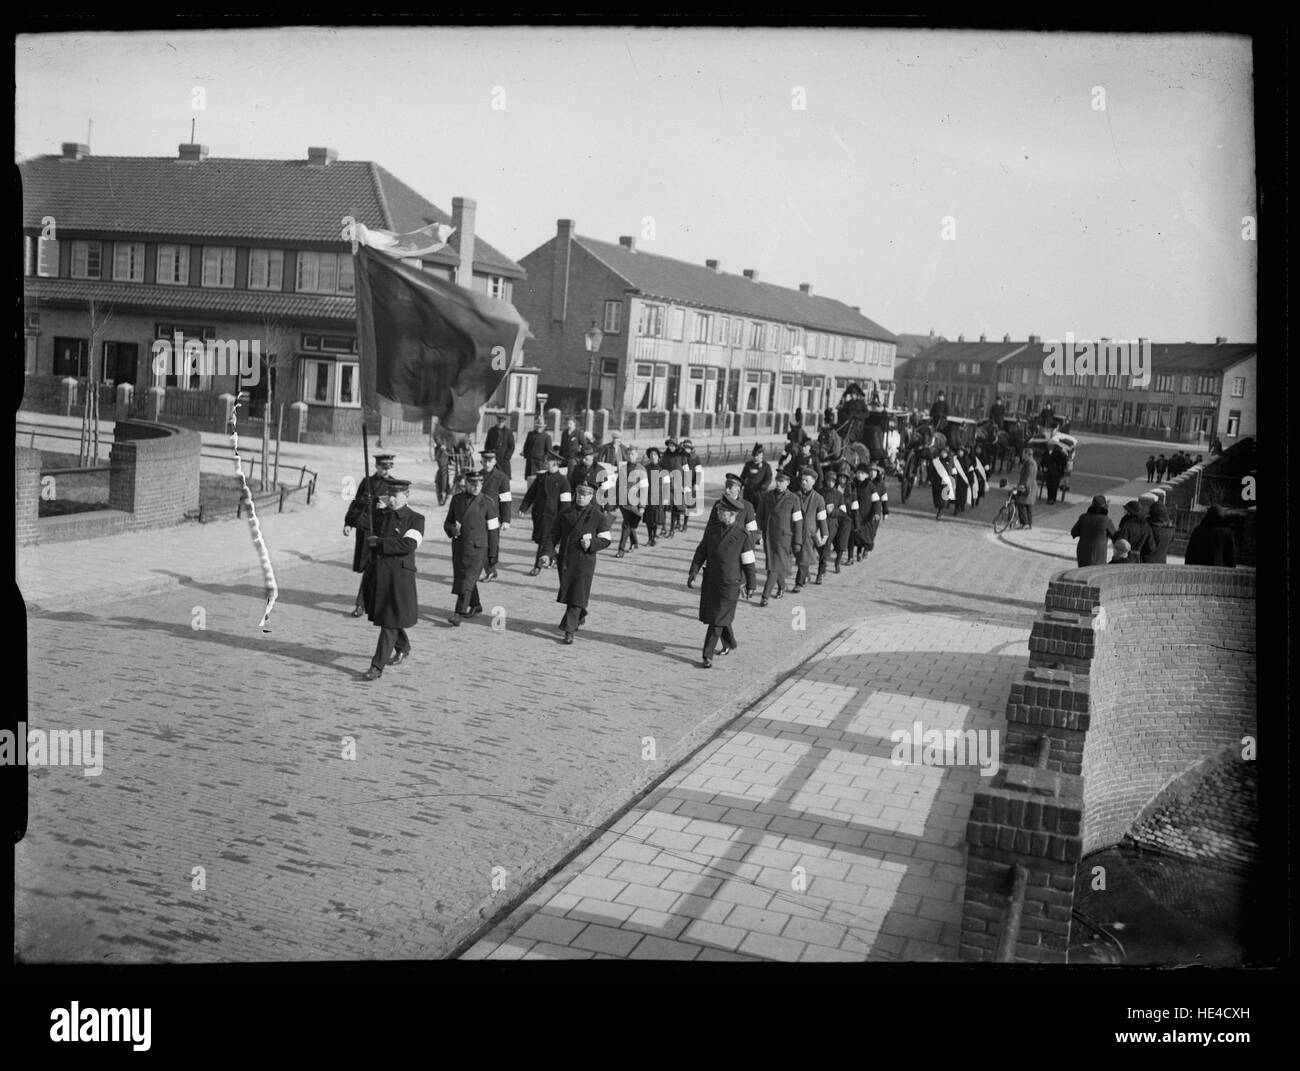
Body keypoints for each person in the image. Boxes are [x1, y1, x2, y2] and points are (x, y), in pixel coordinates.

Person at [358, 478, 424, 681]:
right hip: (380, 575)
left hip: (399, 578)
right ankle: (403, 646)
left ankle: (376, 666)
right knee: (391, 617)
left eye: (396, 496)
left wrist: (381, 543)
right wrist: (367, 506)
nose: (392, 499)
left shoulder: (415, 519)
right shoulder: (381, 515)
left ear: (407, 496)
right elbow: (361, 523)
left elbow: (408, 544)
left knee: (389, 623)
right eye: (390, 495)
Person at [688, 501, 757, 668]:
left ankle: (707, 655)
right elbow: (702, 550)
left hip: (730, 583)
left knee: (717, 618)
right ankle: (730, 642)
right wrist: (693, 571)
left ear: (732, 514)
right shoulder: (713, 529)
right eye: (719, 511)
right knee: (718, 615)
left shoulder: (742, 535)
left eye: (722, 512)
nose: (718, 514)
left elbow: (749, 562)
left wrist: (751, 585)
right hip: (712, 580)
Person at [546, 479, 613, 643]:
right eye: (579, 494)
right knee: (572, 593)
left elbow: (606, 539)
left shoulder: (598, 516)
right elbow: (553, 534)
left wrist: (592, 544)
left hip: (584, 562)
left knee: (576, 594)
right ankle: (580, 613)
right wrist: (547, 553)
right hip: (566, 560)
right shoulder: (565, 513)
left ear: (591, 497)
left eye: (585, 495)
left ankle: (569, 630)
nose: (581, 497)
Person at [443, 469, 500, 625]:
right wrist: (452, 529)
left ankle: (458, 614)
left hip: (478, 549)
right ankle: (476, 605)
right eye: (473, 484)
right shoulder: (457, 500)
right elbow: (448, 522)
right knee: (465, 579)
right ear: (466, 484)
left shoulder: (488, 502)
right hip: (460, 547)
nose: (476, 487)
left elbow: (494, 531)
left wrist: (493, 554)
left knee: (466, 580)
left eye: (480, 483)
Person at [344, 452, 394, 617]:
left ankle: (366, 603)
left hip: (382, 533)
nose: (386, 471)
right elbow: (355, 503)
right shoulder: (367, 482)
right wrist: (348, 523)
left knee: (379, 569)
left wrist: (381, 503)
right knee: (369, 568)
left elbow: (395, 507)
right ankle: (362, 604)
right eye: (383, 467)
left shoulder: (394, 484)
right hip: (366, 531)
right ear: (376, 467)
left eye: (389, 467)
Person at [520, 449, 571, 575]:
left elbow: (566, 504)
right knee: (541, 539)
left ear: (556, 463)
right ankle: (554, 558)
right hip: (538, 516)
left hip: (553, 518)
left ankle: (537, 566)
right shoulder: (541, 477)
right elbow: (531, 494)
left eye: (548, 460)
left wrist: (563, 519)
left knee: (544, 541)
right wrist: (523, 508)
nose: (545, 462)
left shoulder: (563, 481)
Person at [758, 469, 802, 606]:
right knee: (774, 565)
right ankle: (782, 585)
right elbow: (759, 516)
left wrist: (798, 541)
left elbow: (798, 522)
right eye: (777, 481)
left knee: (773, 568)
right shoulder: (767, 496)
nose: (778, 483)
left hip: (784, 539)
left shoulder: (794, 499)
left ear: (787, 483)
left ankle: (765, 596)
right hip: (769, 537)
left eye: (781, 481)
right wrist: (758, 533)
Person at [477, 447, 512, 581]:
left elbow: (506, 500)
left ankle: (491, 569)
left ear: (495, 461)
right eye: (484, 460)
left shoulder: (501, 478)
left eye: (490, 460)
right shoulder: (477, 476)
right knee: (480, 543)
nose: (487, 463)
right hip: (478, 516)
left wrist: (506, 520)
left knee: (492, 544)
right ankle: (490, 571)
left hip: (493, 517)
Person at [793, 467, 828, 590]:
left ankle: (798, 583)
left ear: (813, 482)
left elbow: (822, 518)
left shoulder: (819, 499)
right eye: (802, 480)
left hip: (809, 534)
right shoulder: (794, 496)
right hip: (794, 532)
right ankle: (806, 575)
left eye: (806, 480)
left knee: (804, 558)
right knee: (799, 556)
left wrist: (825, 534)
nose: (803, 482)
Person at [615, 445, 648, 557]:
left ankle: (621, 549)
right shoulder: (623, 468)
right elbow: (618, 484)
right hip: (623, 502)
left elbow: (644, 488)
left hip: (634, 502)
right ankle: (634, 543)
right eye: (628, 454)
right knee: (628, 525)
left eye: (633, 454)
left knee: (626, 525)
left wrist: (642, 506)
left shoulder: (641, 469)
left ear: (637, 455)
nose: (630, 456)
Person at [820, 470, 853, 577]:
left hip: (836, 522)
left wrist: (833, 511)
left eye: (833, 481)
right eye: (828, 481)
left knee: (840, 544)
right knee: (825, 546)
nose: (830, 483)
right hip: (823, 522)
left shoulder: (839, 495)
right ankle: (823, 567)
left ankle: (837, 563)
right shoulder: (820, 492)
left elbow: (843, 511)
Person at [1070, 494, 1117, 567]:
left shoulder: (1083, 517)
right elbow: (1115, 537)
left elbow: (1073, 532)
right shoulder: (1106, 520)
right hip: (1098, 553)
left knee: (1082, 572)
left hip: (1083, 551)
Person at [741, 445, 773, 535]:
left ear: (762, 455)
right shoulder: (748, 465)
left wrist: (763, 486)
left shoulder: (766, 466)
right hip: (748, 493)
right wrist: (740, 485)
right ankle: (746, 530)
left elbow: (769, 478)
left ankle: (758, 532)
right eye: (755, 456)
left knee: (759, 513)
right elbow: (742, 477)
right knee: (747, 511)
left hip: (760, 494)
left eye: (758, 456)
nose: (756, 458)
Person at [642, 445, 667, 546]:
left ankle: (654, 537)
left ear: (658, 456)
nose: (653, 456)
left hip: (659, 496)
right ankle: (649, 538)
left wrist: (665, 497)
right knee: (649, 519)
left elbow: (666, 484)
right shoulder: (645, 468)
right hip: (648, 496)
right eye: (651, 454)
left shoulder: (662, 469)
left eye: (655, 454)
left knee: (655, 519)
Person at [484, 414, 516, 479]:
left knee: (504, 478)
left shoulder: (508, 432)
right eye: (499, 421)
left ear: (505, 422)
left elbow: (511, 447)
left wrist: (507, 457)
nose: (500, 423)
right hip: (493, 459)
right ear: (497, 420)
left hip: (503, 460)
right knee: (492, 478)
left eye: (502, 422)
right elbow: (487, 444)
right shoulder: (491, 430)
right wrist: (488, 456)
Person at [521, 417, 552, 482]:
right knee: (529, 478)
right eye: (537, 426)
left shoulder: (547, 437)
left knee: (539, 479)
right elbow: (526, 445)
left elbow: (549, 451)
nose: (539, 428)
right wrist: (526, 454)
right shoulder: (530, 434)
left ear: (543, 427)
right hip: (530, 460)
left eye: (540, 426)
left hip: (539, 462)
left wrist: (544, 459)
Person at [930, 448, 955, 521]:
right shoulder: (937, 461)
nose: (943, 454)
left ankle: (939, 513)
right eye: (942, 452)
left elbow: (952, 473)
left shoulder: (950, 462)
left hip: (945, 483)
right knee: (937, 498)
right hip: (937, 482)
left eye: (945, 452)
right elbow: (932, 470)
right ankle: (939, 509)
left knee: (943, 499)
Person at [1015, 448, 1037, 527]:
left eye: (1023, 453)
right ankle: (1029, 523)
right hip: (1030, 486)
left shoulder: (1029, 463)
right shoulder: (1032, 462)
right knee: (1028, 506)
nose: (1022, 455)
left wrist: (1023, 485)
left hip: (1027, 487)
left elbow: (1028, 475)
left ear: (1027, 454)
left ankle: (1024, 523)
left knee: (1021, 504)